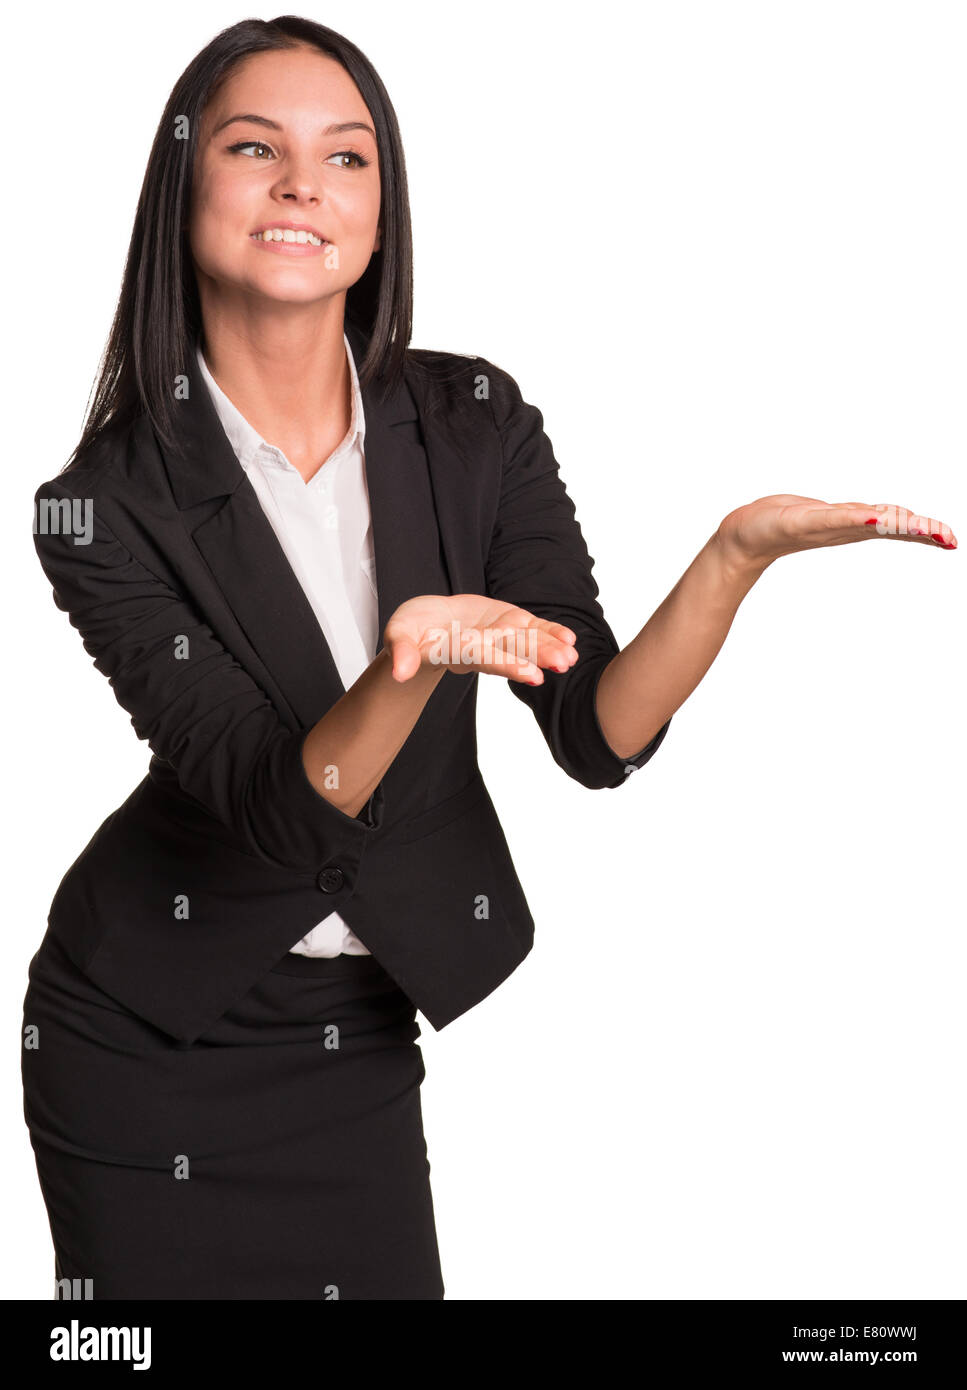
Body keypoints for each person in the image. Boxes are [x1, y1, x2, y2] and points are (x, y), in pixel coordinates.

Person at [21, 16, 957, 1302]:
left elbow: (598, 736)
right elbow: (276, 808)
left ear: (382, 208)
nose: (305, 184)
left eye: (348, 159)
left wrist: (735, 557)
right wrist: (411, 662)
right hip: (147, 1036)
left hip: (353, 1030)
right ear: (182, 188)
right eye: (255, 148)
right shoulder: (101, 506)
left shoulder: (471, 425)